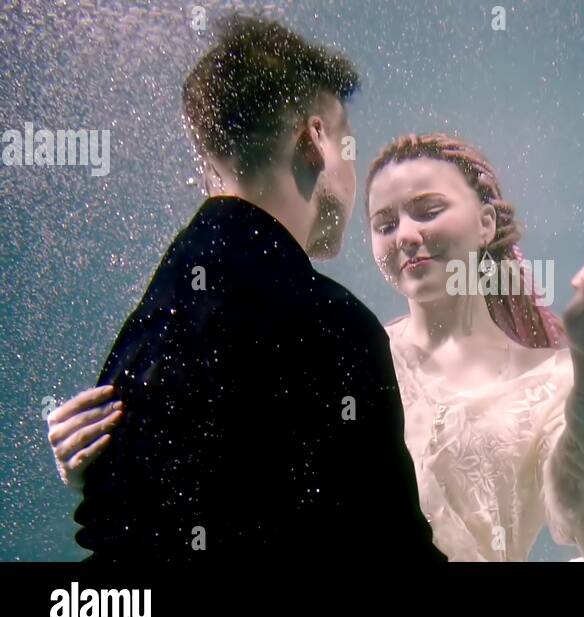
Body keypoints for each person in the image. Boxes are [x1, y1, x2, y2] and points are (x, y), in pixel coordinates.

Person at [52, 132, 584, 562]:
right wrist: (107, 462)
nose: (406, 235)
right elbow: (233, 480)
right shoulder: (340, 348)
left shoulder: (550, 380)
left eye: (427, 209)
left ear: (486, 222)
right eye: (385, 223)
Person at [49, 15, 444, 562]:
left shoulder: (148, 328)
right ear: (316, 139)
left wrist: (101, 480)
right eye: (349, 144)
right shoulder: (334, 326)